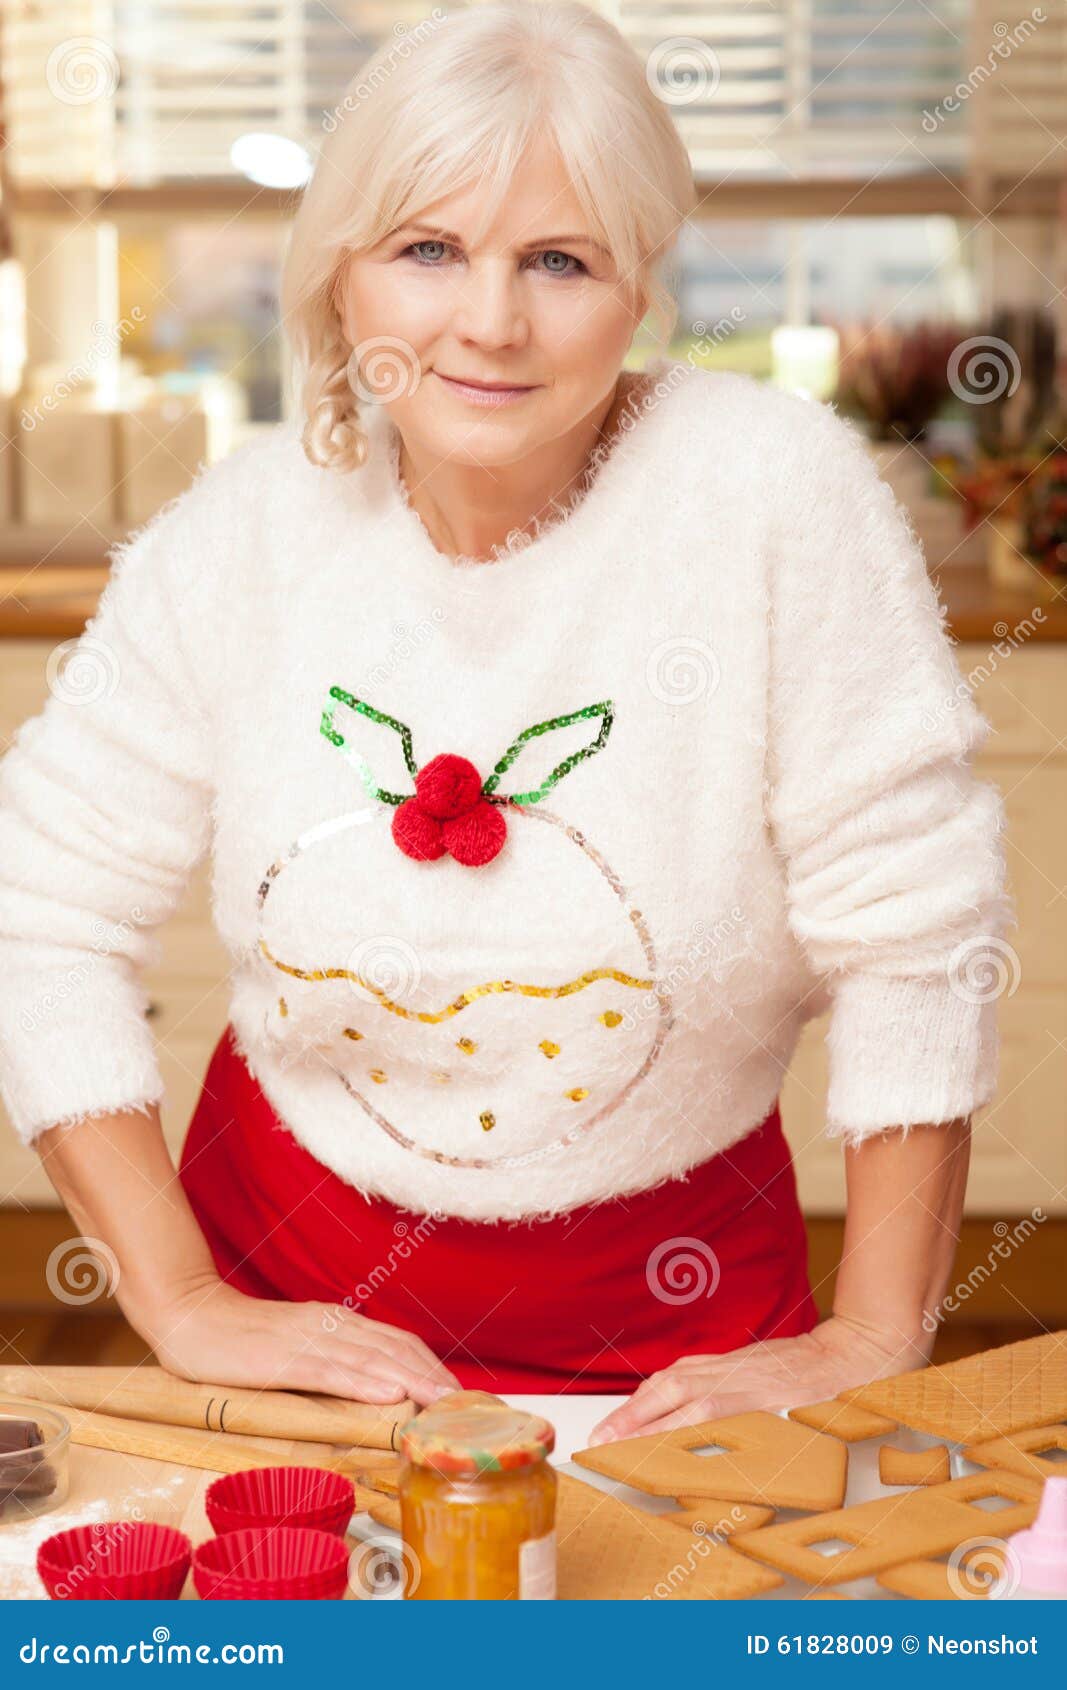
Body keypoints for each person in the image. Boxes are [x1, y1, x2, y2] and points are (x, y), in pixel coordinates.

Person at [0, 1, 1009, 1444]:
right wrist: (175, 1296)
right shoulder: (239, 536)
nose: (490, 319)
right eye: (426, 249)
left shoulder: (775, 499)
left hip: (676, 1339)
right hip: (290, 1335)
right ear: (342, 277)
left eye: (559, 259)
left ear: (641, 285)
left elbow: (919, 928)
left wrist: (877, 1328)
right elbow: (38, 908)